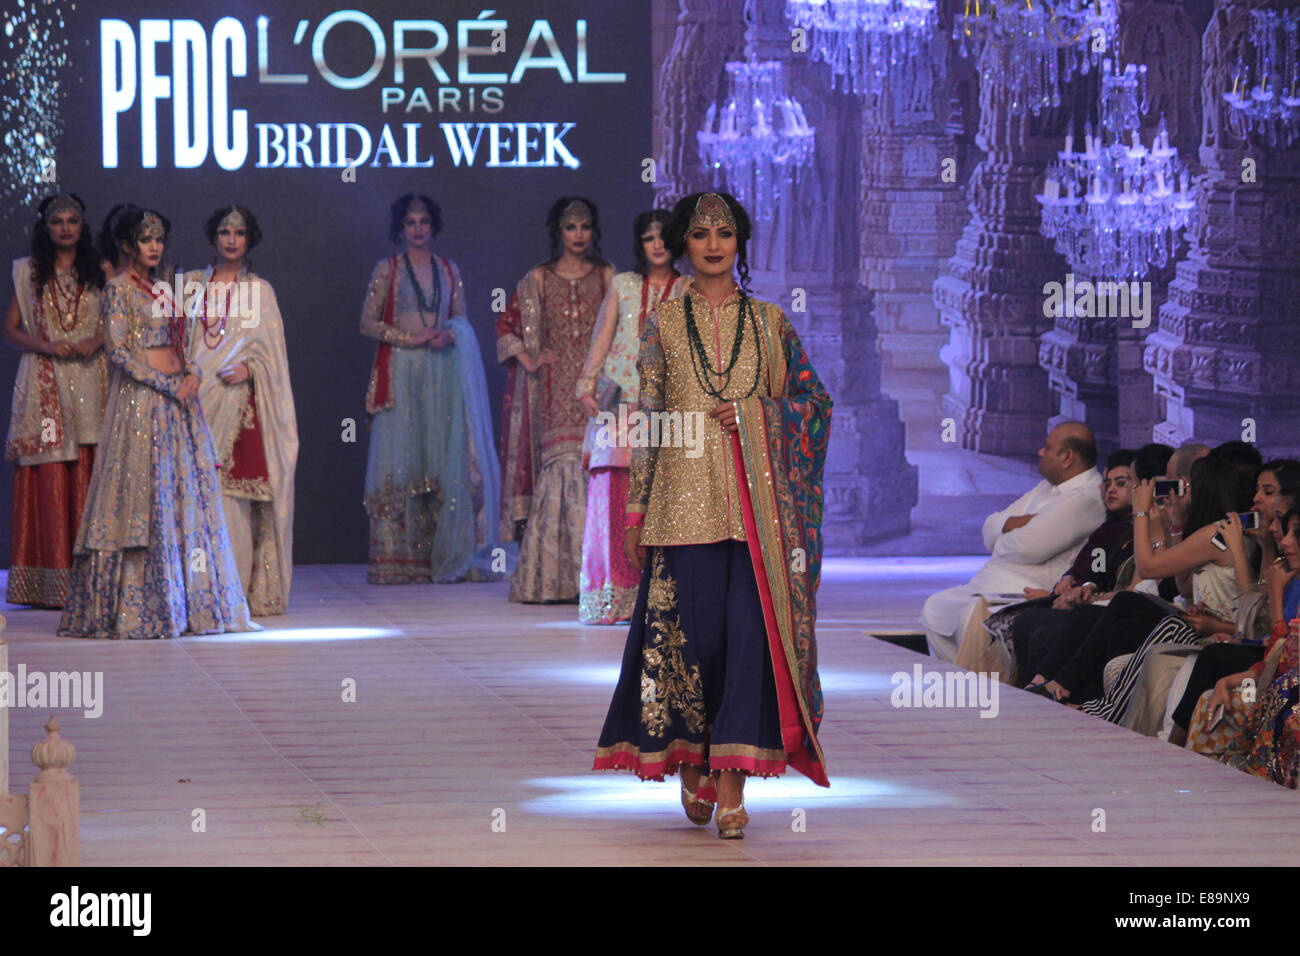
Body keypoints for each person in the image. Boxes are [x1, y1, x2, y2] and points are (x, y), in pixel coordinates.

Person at [593, 192, 832, 840]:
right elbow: (649, 421)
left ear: (740, 241)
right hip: (679, 509)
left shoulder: (772, 323)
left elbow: (815, 404)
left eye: (725, 232)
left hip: (757, 518)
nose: (714, 243)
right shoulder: (664, 325)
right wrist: (637, 510)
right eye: (700, 234)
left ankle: (732, 785)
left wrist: (760, 417)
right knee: (688, 647)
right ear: (682, 243)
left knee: (747, 647)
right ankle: (691, 763)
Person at [58, 209, 254, 638]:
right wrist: (168, 386)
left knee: (183, 501)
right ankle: (141, 609)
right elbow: (119, 356)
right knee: (144, 499)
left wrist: (193, 375)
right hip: (142, 406)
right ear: (129, 245)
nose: (154, 246)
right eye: (145, 239)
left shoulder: (164, 289)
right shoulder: (117, 291)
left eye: (159, 239)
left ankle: (192, 606)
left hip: (177, 405)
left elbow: (183, 344)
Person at [360, 194, 504, 584]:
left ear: (433, 226)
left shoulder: (448, 269)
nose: (418, 228)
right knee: (402, 458)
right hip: (403, 372)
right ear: (400, 228)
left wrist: (446, 334)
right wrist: (412, 337)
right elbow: (368, 323)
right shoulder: (387, 269)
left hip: (442, 373)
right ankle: (399, 561)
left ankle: (442, 556)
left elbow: (461, 320)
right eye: (411, 222)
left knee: (442, 459)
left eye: (424, 221)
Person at [574, 210, 690, 624]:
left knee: (662, 498)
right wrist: (586, 385)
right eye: (647, 238)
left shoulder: (687, 289)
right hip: (617, 401)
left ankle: (660, 597)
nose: (656, 245)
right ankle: (612, 595)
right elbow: (603, 337)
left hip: (666, 405)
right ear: (639, 244)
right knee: (613, 493)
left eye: (662, 237)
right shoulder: (623, 285)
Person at [183, 205, 298, 614]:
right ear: (213, 236)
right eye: (224, 231)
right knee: (195, 496)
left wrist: (250, 368)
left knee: (235, 499)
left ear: (250, 239)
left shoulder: (260, 291)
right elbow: (181, 345)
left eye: (239, 232)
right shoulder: (191, 286)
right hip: (194, 404)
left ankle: (238, 593)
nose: (231, 239)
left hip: (240, 407)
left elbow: (274, 358)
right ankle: (199, 593)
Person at [498, 197, 613, 602]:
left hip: (596, 391)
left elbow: (622, 327)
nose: (579, 234)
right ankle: (549, 582)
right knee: (561, 467)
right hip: (550, 391)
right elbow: (506, 325)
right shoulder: (539, 279)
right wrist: (528, 357)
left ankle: (596, 581)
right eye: (571, 227)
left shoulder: (607, 276)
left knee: (595, 469)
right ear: (558, 232)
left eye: (585, 226)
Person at [921, 421, 1106, 661]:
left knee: (972, 618)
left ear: (1067, 458)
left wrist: (1008, 531)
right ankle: (961, 679)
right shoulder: (1045, 488)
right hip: (989, 582)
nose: (1040, 452)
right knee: (936, 606)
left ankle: (978, 687)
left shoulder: (1087, 498)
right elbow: (989, 527)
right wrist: (1014, 525)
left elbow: (1027, 547)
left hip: (1023, 588)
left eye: (1047, 448)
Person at [3, 194, 107, 607]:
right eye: (57, 221)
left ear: (83, 226)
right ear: (46, 228)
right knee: (49, 466)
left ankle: (89, 581)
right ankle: (48, 585)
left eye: (73, 220)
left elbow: (118, 325)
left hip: (90, 378)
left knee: (87, 461)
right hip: (46, 383)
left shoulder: (99, 270)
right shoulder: (27, 273)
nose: (65, 227)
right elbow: (9, 329)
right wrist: (44, 345)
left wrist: (95, 339)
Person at [1186, 506, 1300, 788]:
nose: (1284, 541)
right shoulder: (1291, 577)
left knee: (1224, 682)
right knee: (1212, 697)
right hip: (1274, 682)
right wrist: (1233, 678)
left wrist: (1275, 594)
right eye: (1285, 531)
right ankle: (1198, 783)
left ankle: (1232, 789)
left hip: (1287, 693)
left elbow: (1285, 663)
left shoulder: (1285, 581)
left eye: (1295, 534)